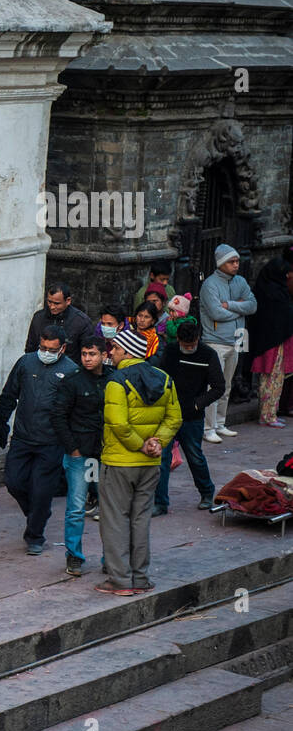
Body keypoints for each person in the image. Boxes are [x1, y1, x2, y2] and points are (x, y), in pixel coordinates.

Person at [97, 330, 181, 596]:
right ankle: (140, 577)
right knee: (140, 519)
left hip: (120, 461)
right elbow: (174, 418)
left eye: (115, 349)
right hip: (151, 464)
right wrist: (157, 442)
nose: (111, 353)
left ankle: (120, 580)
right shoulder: (165, 379)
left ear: (127, 352)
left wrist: (139, 444)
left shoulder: (116, 382)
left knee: (115, 520)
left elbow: (118, 424)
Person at [0, 324, 79, 555]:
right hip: (22, 437)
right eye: (43, 347)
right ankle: (36, 512)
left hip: (51, 441)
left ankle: (35, 534)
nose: (46, 352)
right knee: (13, 481)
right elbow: (9, 395)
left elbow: (75, 410)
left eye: (51, 349)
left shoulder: (71, 371)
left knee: (42, 490)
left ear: (62, 348)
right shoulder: (26, 363)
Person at [53, 334, 111, 576]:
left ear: (103, 356)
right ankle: (74, 556)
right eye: (84, 354)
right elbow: (58, 416)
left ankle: (111, 557)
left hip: (106, 454)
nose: (87, 359)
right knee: (76, 508)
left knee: (109, 508)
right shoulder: (72, 381)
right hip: (80, 453)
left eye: (92, 354)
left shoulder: (114, 379)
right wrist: (72, 448)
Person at [155, 320, 224, 514]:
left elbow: (218, 387)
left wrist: (197, 404)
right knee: (162, 458)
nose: (189, 348)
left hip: (192, 417)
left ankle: (207, 492)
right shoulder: (170, 351)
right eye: (186, 346)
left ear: (198, 339)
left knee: (195, 456)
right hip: (168, 414)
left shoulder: (208, 354)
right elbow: (160, 376)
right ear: (178, 340)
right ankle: (160, 502)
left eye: (192, 345)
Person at [200, 243, 256, 442]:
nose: (236, 265)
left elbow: (252, 305)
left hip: (237, 339)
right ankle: (208, 428)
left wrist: (231, 305)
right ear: (221, 263)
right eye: (231, 261)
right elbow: (216, 312)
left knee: (227, 385)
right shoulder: (210, 284)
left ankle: (220, 423)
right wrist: (239, 308)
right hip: (215, 341)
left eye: (237, 261)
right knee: (213, 386)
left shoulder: (240, 281)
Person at [247, 258, 293, 428]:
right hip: (272, 344)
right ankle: (267, 415)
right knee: (272, 378)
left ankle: (269, 413)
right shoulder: (274, 294)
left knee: (273, 378)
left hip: (271, 342)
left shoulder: (269, 290)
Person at [24, 282, 95, 356]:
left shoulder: (81, 322)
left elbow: (87, 353)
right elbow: (30, 348)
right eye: (49, 302)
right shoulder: (38, 318)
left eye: (56, 303)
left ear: (68, 301)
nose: (52, 307)